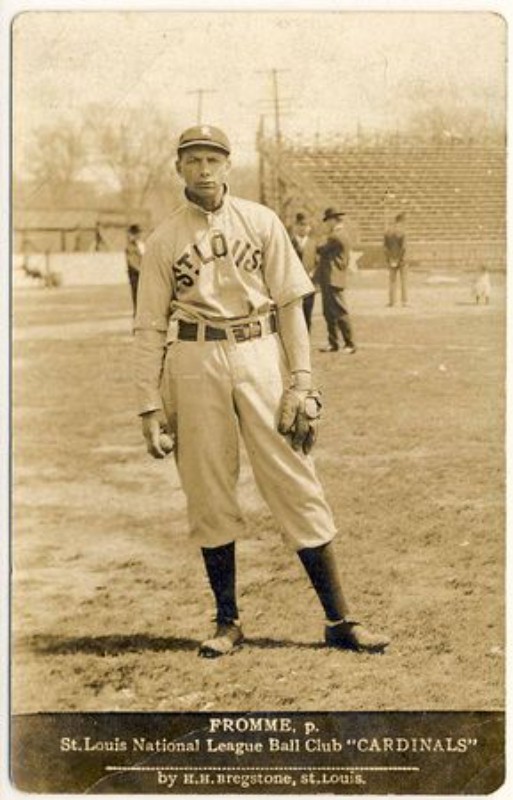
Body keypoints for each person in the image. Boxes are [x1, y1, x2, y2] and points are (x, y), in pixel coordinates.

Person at [133, 124, 389, 658]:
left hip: (258, 352)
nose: (204, 169)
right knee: (207, 490)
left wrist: (302, 380)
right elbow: (149, 328)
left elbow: (292, 304)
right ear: (178, 167)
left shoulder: (262, 221)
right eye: (194, 159)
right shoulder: (162, 240)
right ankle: (227, 622)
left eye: (213, 159)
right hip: (192, 358)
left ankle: (340, 619)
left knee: (296, 480)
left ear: (229, 165)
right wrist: (148, 405)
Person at [316, 208, 357, 354]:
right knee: (329, 312)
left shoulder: (335, 236)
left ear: (333, 220)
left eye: (328, 221)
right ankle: (334, 343)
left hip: (332, 277)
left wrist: (319, 243)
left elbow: (321, 249)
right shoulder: (340, 234)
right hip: (332, 277)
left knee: (339, 311)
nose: (327, 224)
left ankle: (349, 343)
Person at [289, 212, 317, 331]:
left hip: (309, 283)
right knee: (293, 315)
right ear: (295, 226)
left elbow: (317, 262)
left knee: (307, 313)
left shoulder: (313, 244)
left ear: (309, 228)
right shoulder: (289, 243)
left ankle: (306, 340)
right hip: (293, 284)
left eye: (305, 225)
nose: (303, 228)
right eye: (300, 225)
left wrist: (313, 273)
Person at [384, 212, 408, 307]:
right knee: (403, 280)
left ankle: (392, 301)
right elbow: (404, 248)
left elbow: (385, 247)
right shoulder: (403, 232)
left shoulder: (388, 231)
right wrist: (400, 258)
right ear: (402, 221)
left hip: (391, 259)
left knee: (392, 281)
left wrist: (389, 258)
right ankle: (404, 301)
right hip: (402, 259)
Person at [125, 224, 145, 315]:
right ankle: (138, 313)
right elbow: (132, 262)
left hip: (140, 272)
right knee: (136, 294)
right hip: (136, 274)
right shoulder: (130, 247)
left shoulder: (140, 245)